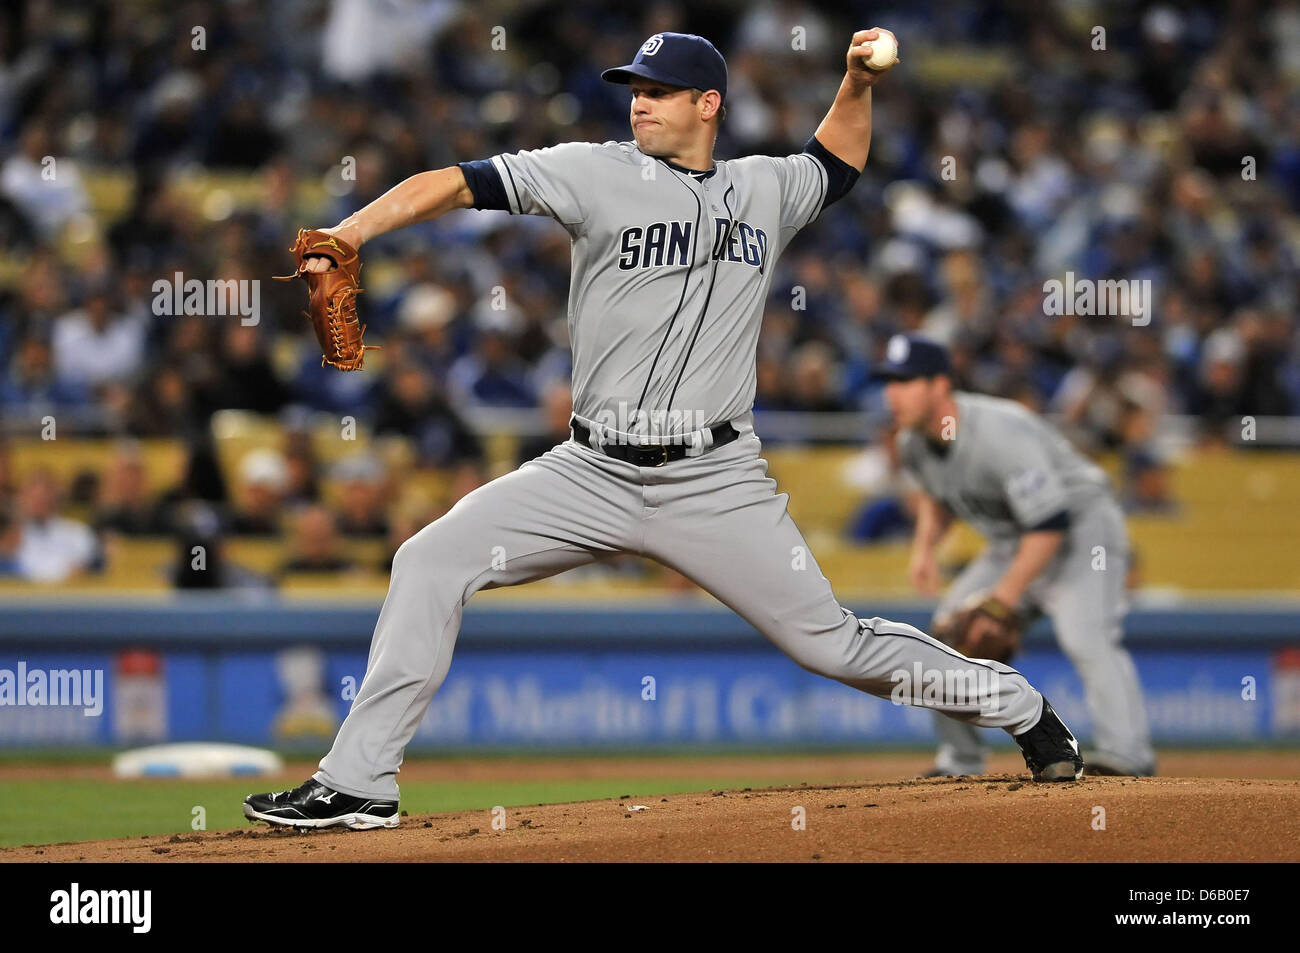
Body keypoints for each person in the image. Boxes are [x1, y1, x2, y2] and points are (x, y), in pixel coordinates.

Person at [245, 29, 1086, 832]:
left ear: (708, 103)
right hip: (589, 469)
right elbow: (458, 181)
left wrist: (857, 84)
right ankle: (357, 783)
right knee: (429, 559)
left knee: (832, 644)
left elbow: (837, 160)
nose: (639, 105)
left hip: (715, 479)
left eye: (658, 92)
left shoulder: (765, 186)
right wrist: (352, 231)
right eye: (634, 91)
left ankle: (1019, 707)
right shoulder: (590, 171)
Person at [878, 334, 1156, 777]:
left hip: (1080, 530)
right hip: (1014, 540)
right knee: (943, 637)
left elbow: (1048, 526)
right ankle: (962, 760)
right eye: (889, 381)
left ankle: (1128, 755)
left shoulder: (998, 433)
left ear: (940, 385)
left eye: (906, 381)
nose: (893, 392)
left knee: (1085, 636)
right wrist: (924, 550)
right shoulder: (913, 442)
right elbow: (937, 493)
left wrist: (1001, 600)